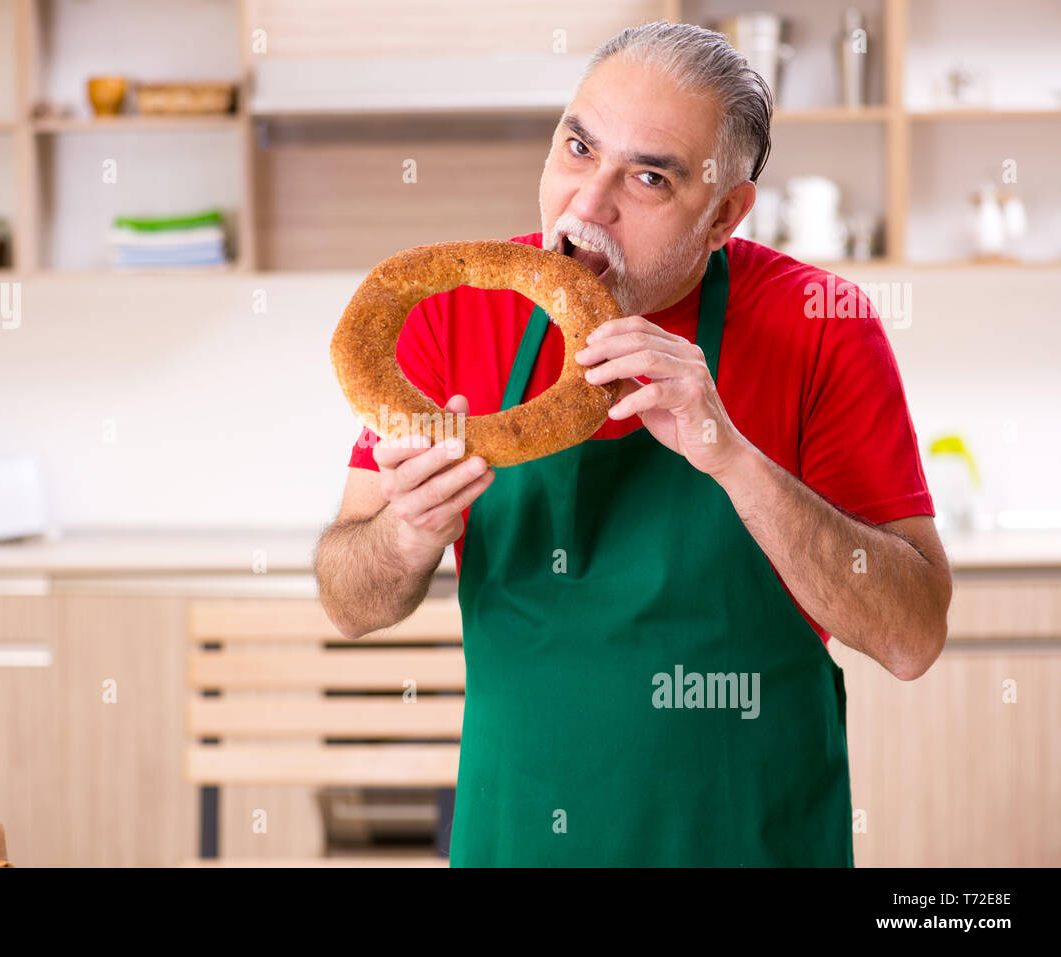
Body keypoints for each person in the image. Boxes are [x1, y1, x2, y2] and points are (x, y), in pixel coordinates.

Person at [313, 21, 951, 867]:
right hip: (520, 835)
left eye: (649, 176)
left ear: (724, 212)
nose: (587, 204)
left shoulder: (820, 328)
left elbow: (911, 638)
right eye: (578, 147)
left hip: (751, 839)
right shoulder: (453, 313)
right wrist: (406, 533)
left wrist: (731, 456)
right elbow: (349, 602)